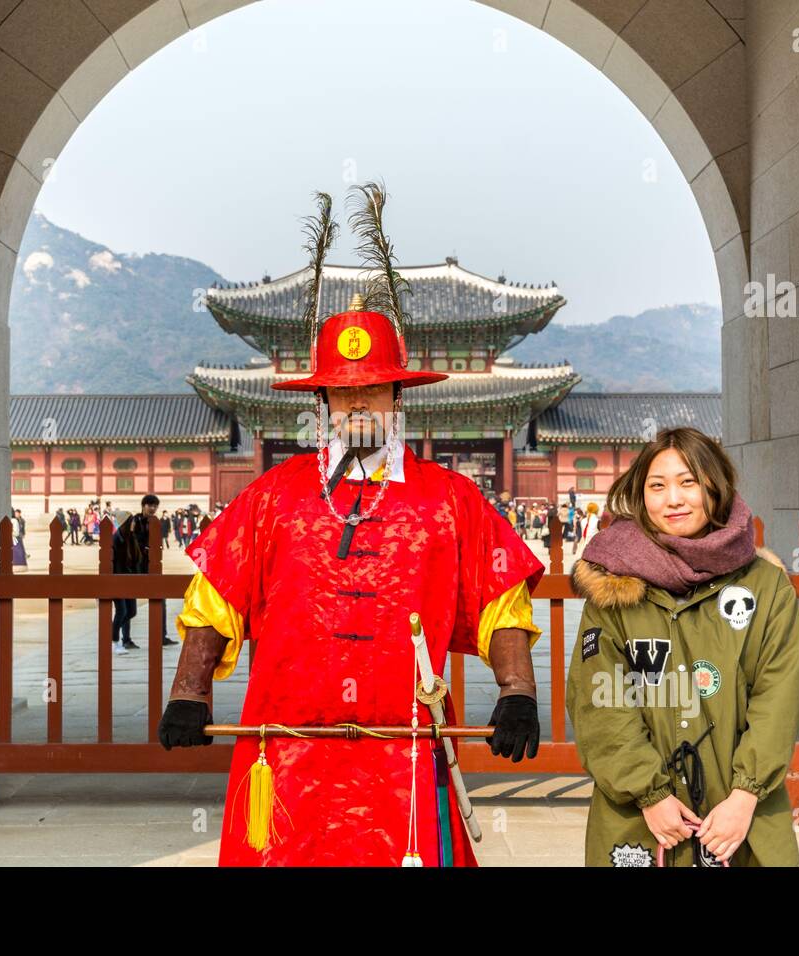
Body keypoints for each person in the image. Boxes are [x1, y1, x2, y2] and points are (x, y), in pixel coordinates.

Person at [157, 185, 543, 867]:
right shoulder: (273, 496)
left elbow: (501, 596)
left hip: (409, 747)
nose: (359, 401)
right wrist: (189, 692)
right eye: (345, 389)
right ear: (324, 398)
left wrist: (517, 692)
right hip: (287, 744)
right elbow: (213, 600)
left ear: (399, 394)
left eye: (374, 387)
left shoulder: (450, 499)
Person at [566, 427, 799, 867]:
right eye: (657, 486)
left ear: (715, 486)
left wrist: (744, 796)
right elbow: (599, 703)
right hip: (641, 819)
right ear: (641, 496)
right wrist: (650, 794)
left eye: (688, 482)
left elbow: (779, 697)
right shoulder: (614, 588)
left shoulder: (765, 587)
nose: (673, 499)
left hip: (739, 820)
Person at [132, 494, 174, 646]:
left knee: (160, 600)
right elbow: (132, 542)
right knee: (128, 603)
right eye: (150, 505)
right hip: (136, 568)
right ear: (143, 506)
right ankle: (125, 639)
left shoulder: (156, 522)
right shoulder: (135, 521)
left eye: (155, 506)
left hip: (153, 567)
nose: (152, 508)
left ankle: (161, 636)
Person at [110, 509, 139, 652]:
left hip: (130, 580)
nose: (133, 523)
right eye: (131, 521)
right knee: (121, 611)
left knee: (132, 611)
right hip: (117, 581)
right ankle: (115, 641)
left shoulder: (131, 537)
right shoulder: (116, 540)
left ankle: (111, 630)